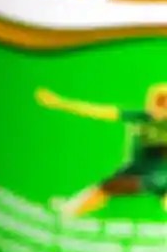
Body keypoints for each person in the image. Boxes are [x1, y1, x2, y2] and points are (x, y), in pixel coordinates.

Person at [36, 83, 167, 217]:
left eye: (164, 106)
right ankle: (69, 210)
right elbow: (98, 111)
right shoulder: (140, 116)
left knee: (158, 192)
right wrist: (60, 103)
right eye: (155, 104)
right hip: (138, 166)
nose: (157, 111)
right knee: (103, 189)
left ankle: (69, 210)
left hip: (161, 170)